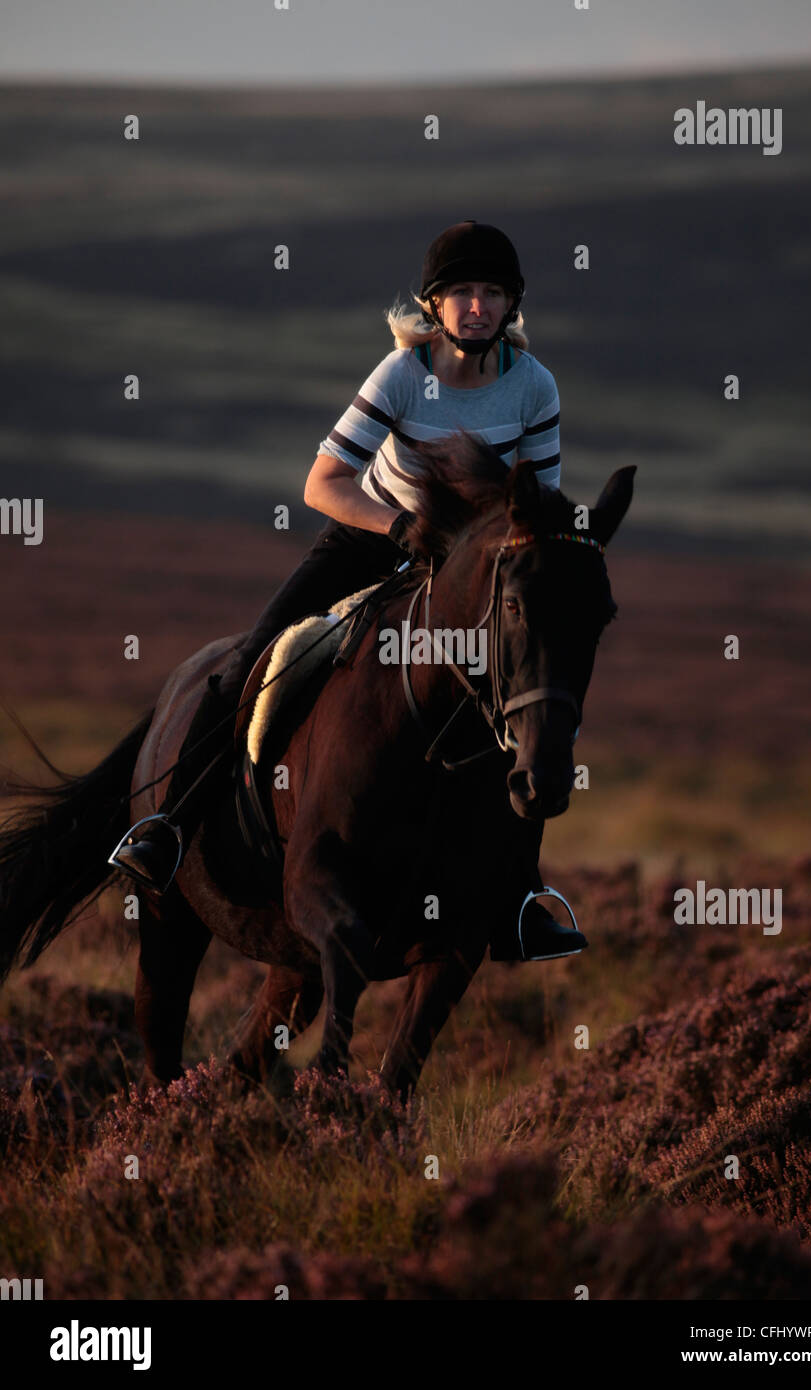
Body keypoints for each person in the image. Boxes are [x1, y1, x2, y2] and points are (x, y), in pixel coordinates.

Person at [110, 220, 585, 961]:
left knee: (526, 701)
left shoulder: (536, 387)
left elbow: (538, 509)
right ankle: (168, 829)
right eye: (461, 292)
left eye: (492, 293)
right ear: (434, 305)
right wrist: (399, 528)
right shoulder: (400, 374)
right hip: (370, 539)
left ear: (511, 304)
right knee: (249, 662)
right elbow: (321, 484)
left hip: (469, 574)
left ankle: (521, 898)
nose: (477, 306)